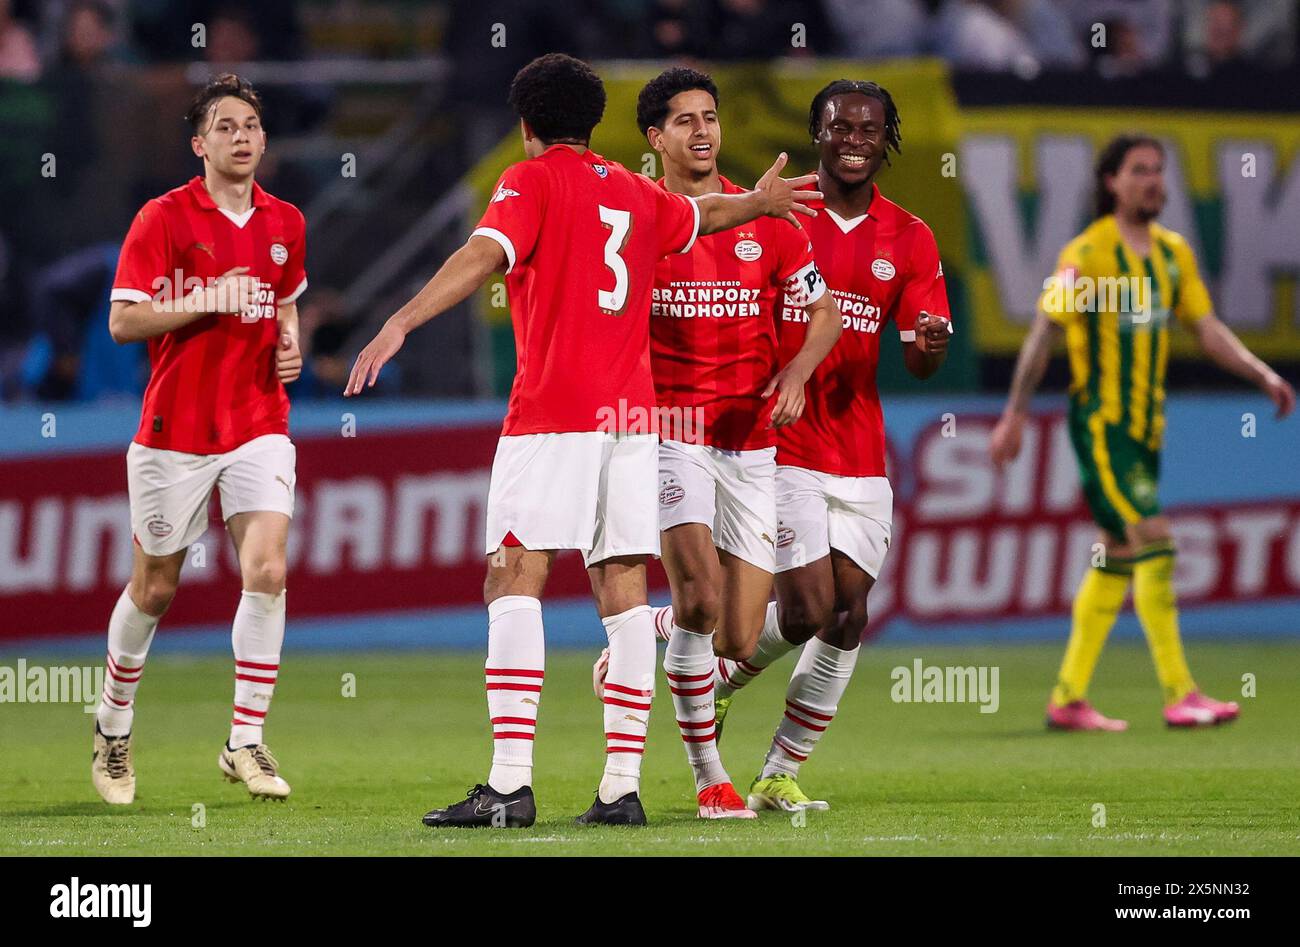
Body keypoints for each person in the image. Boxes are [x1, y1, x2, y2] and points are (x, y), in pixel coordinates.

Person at [344, 53, 822, 828]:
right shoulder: (635, 191)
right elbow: (703, 217)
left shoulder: (529, 181)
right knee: (624, 597)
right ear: (596, 123)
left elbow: (481, 255)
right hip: (632, 422)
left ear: (526, 126)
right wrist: (762, 202)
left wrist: (400, 319)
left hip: (553, 414)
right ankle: (620, 790)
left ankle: (508, 784)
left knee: (512, 577)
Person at [639, 80, 953, 812]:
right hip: (773, 444)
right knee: (807, 608)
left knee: (849, 616)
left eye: (869, 129)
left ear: (886, 141)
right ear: (816, 130)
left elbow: (919, 354)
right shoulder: (774, 208)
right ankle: (686, 648)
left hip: (861, 452)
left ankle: (779, 767)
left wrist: (932, 344)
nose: (853, 139)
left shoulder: (910, 237)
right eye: (839, 125)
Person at [594, 67, 842, 819]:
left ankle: (648, 630)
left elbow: (823, 308)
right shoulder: (641, 225)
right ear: (654, 138)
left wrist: (799, 368)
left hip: (749, 441)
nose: (702, 131)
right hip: (670, 432)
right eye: (684, 120)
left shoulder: (768, 220)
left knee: (735, 631)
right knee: (702, 596)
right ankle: (710, 777)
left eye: (710, 117)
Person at [989, 133, 1296, 730]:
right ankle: (1180, 692)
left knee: (1118, 555)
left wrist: (1261, 374)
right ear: (1112, 183)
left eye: (1159, 171)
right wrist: (1016, 414)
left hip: (1147, 429)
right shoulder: (1087, 253)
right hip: (1103, 426)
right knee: (1157, 537)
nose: (1154, 181)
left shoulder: (1173, 254)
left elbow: (1205, 328)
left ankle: (1068, 698)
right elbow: (1045, 332)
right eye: (1140, 171)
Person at [94, 73, 307, 804]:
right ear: (199, 144)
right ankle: (114, 728)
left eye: (251, 125)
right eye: (226, 126)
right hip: (174, 430)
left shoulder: (286, 222)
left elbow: (285, 306)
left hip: (258, 422)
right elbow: (124, 320)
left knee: (269, 569)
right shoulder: (163, 218)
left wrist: (289, 346)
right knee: (155, 587)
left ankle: (246, 740)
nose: (241, 136)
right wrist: (203, 299)